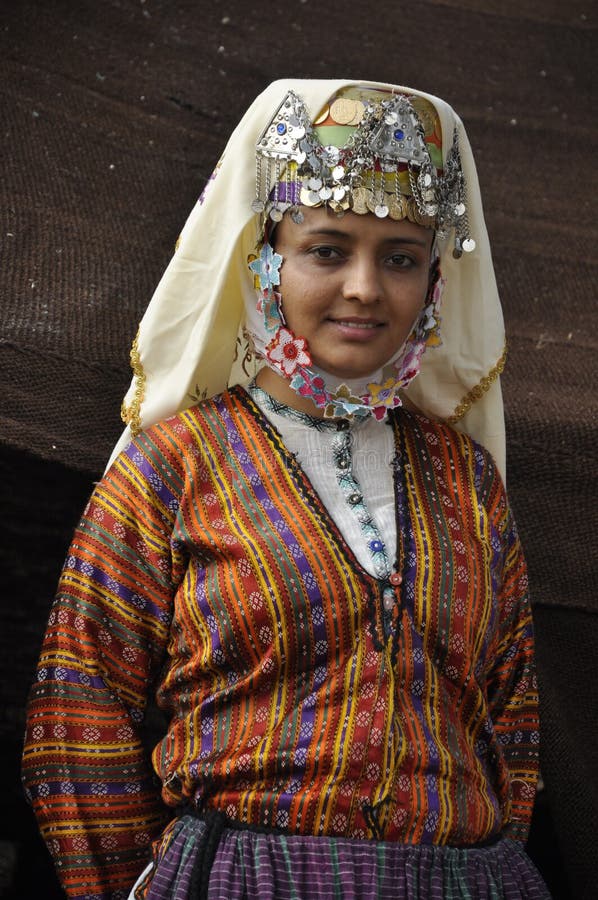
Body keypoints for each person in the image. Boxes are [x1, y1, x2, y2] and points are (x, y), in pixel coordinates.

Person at [22, 79, 551, 900]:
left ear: (434, 280)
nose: (366, 289)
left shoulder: (468, 479)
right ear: (264, 259)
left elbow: (511, 725)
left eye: (402, 258)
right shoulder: (175, 465)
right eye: (328, 250)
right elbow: (75, 718)